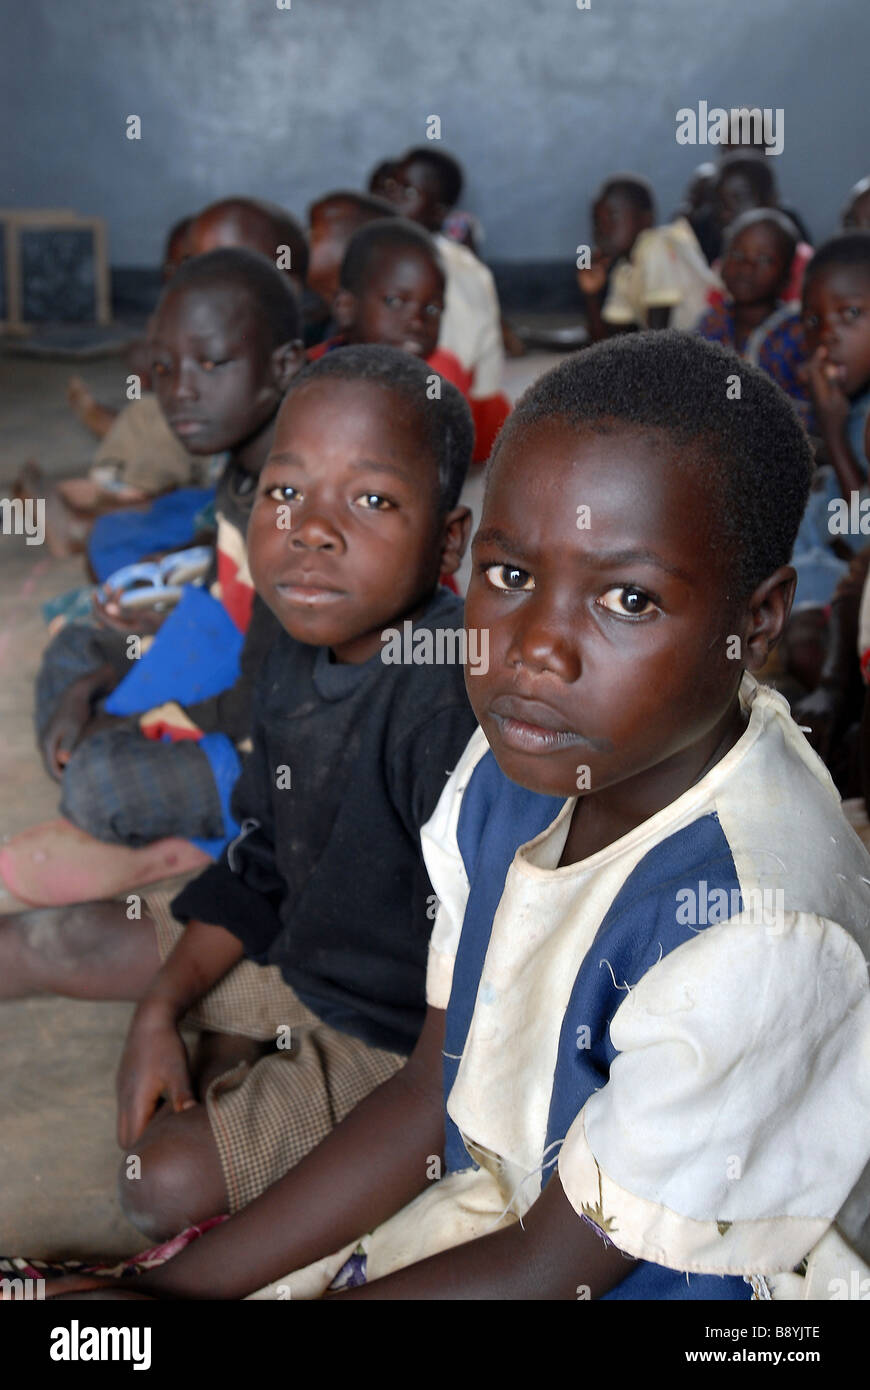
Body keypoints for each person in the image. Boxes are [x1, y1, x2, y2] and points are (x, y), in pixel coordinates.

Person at [38, 333, 870, 1303]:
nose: (536, 651)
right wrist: (160, 1302)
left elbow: (558, 1266)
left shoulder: (759, 932)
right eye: (511, 577)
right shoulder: (515, 762)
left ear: (760, 620)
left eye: (628, 598)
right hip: (510, 1211)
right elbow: (435, 1084)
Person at [0, 345, 478, 1243]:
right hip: (292, 945)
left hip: (397, 1035)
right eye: (285, 493)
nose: (311, 529)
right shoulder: (294, 639)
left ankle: (249, 1064)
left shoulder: (445, 702)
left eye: (371, 500)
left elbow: (471, 1022)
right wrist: (160, 1007)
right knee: (32, 942)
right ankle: (236, 1049)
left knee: (158, 1185)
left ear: (449, 542)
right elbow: (259, 858)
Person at [0, 249, 304, 906]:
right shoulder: (243, 466)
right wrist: (135, 649)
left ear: (283, 366)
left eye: (211, 363)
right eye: (164, 368)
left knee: (96, 782)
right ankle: (166, 806)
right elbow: (233, 591)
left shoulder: (300, 502)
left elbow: (269, 697)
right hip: (231, 661)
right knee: (76, 647)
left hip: (284, 740)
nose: (180, 389)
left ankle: (193, 829)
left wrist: (119, 713)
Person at [308, 216, 501, 464]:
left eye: (432, 309)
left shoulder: (436, 378)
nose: (417, 322)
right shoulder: (312, 367)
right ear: (346, 307)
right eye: (394, 302)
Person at [385, 146, 511, 457]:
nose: (392, 198)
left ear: (439, 212)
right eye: (392, 186)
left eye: (408, 191)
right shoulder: (383, 253)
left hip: (460, 400)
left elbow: (461, 358)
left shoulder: (456, 267)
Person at [578, 174, 717, 341]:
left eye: (612, 216)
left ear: (645, 219)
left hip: (717, 342)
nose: (602, 229)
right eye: (596, 220)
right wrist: (591, 294)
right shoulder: (624, 269)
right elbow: (607, 345)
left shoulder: (657, 244)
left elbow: (656, 343)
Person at [695, 208, 799, 354]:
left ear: (786, 276)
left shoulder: (794, 334)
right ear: (721, 264)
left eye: (763, 259)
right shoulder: (711, 322)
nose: (746, 266)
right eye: (737, 254)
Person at [711, 154, 812, 303]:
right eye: (721, 204)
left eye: (739, 199)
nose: (726, 213)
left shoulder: (803, 264)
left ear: (769, 200)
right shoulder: (723, 266)